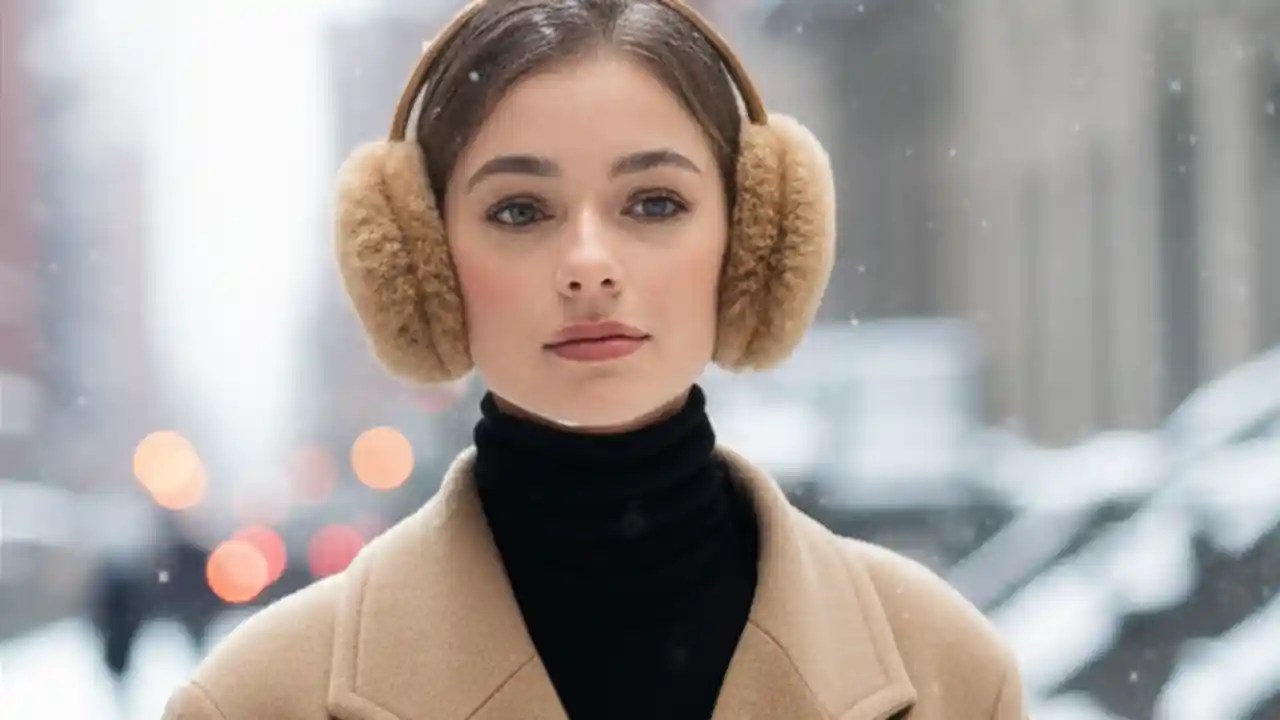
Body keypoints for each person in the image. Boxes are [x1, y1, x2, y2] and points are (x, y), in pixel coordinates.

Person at [163, 0, 1028, 717]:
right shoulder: (254, 701)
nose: (588, 263)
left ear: (755, 243)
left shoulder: (952, 669)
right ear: (419, 267)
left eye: (653, 202)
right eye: (518, 211)